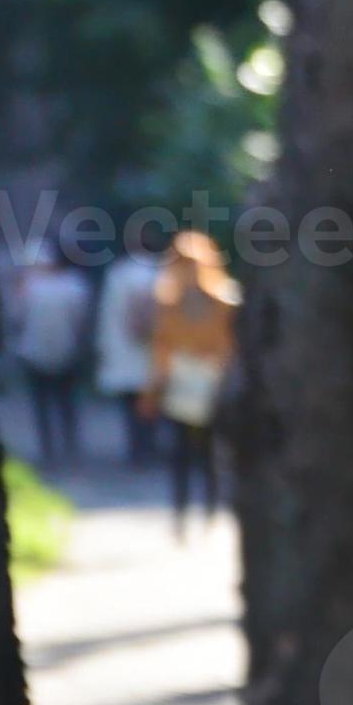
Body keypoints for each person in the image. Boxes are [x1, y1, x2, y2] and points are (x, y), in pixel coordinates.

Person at [142, 230, 239, 536]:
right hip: (180, 385)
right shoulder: (168, 303)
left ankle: (210, 512)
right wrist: (153, 390)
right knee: (180, 454)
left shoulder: (226, 300)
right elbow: (161, 348)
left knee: (210, 453)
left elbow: (232, 346)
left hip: (214, 384)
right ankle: (180, 515)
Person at [10, 246, 95, 469]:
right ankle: (69, 445)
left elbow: (16, 316)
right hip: (68, 351)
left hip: (34, 352)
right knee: (66, 402)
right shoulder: (75, 285)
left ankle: (49, 448)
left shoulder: (30, 286)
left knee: (42, 403)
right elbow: (82, 320)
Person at [93, 220, 166, 463]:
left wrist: (103, 347)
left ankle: (136, 448)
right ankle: (150, 444)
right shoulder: (163, 272)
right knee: (152, 404)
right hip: (154, 351)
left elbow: (107, 315)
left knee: (129, 405)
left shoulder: (118, 273)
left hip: (124, 351)